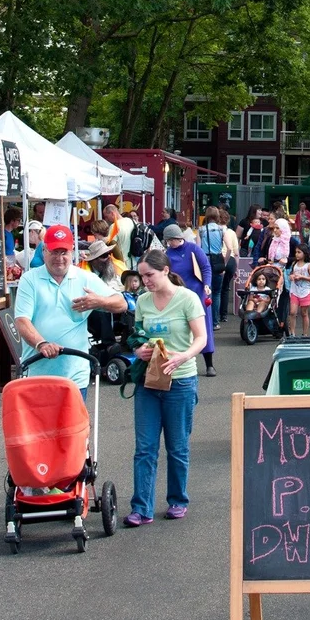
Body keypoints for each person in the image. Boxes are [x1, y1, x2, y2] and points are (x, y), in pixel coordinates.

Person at [125, 249, 208, 527]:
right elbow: (135, 336)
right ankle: (141, 508)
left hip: (181, 379)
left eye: (149, 275)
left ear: (164, 270)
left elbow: (201, 338)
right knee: (145, 448)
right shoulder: (143, 302)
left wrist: (184, 356)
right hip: (150, 380)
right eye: (141, 275)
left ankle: (177, 500)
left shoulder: (187, 299)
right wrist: (138, 350)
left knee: (177, 446)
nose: (145, 280)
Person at [13, 226, 127, 400]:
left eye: (64, 252)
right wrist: (42, 344)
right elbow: (22, 321)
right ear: (44, 251)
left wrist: (99, 301)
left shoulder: (84, 278)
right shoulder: (30, 279)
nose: (59, 258)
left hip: (75, 375)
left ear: (72, 252)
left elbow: (122, 304)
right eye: (54, 252)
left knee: (73, 427)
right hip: (37, 372)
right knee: (42, 427)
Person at [162, 224, 216, 377]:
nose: (169, 243)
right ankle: (178, 362)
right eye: (168, 241)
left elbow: (206, 267)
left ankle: (209, 364)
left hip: (198, 293)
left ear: (177, 238)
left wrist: (207, 284)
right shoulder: (167, 254)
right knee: (179, 328)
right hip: (178, 295)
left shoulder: (193, 249)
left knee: (204, 328)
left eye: (170, 240)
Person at [286, 244, 310, 337]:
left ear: (305, 253)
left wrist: (302, 277)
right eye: (296, 252)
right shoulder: (294, 264)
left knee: (304, 313)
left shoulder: (309, 265)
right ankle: (292, 333)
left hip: (306, 290)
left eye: (299, 252)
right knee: (292, 312)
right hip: (295, 290)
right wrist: (291, 276)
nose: (297, 254)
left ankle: (305, 334)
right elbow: (291, 274)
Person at [105, 203, 135, 270]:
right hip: (134, 261)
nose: (106, 219)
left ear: (112, 213)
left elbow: (111, 245)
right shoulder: (130, 221)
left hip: (122, 264)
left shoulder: (114, 226)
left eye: (107, 216)